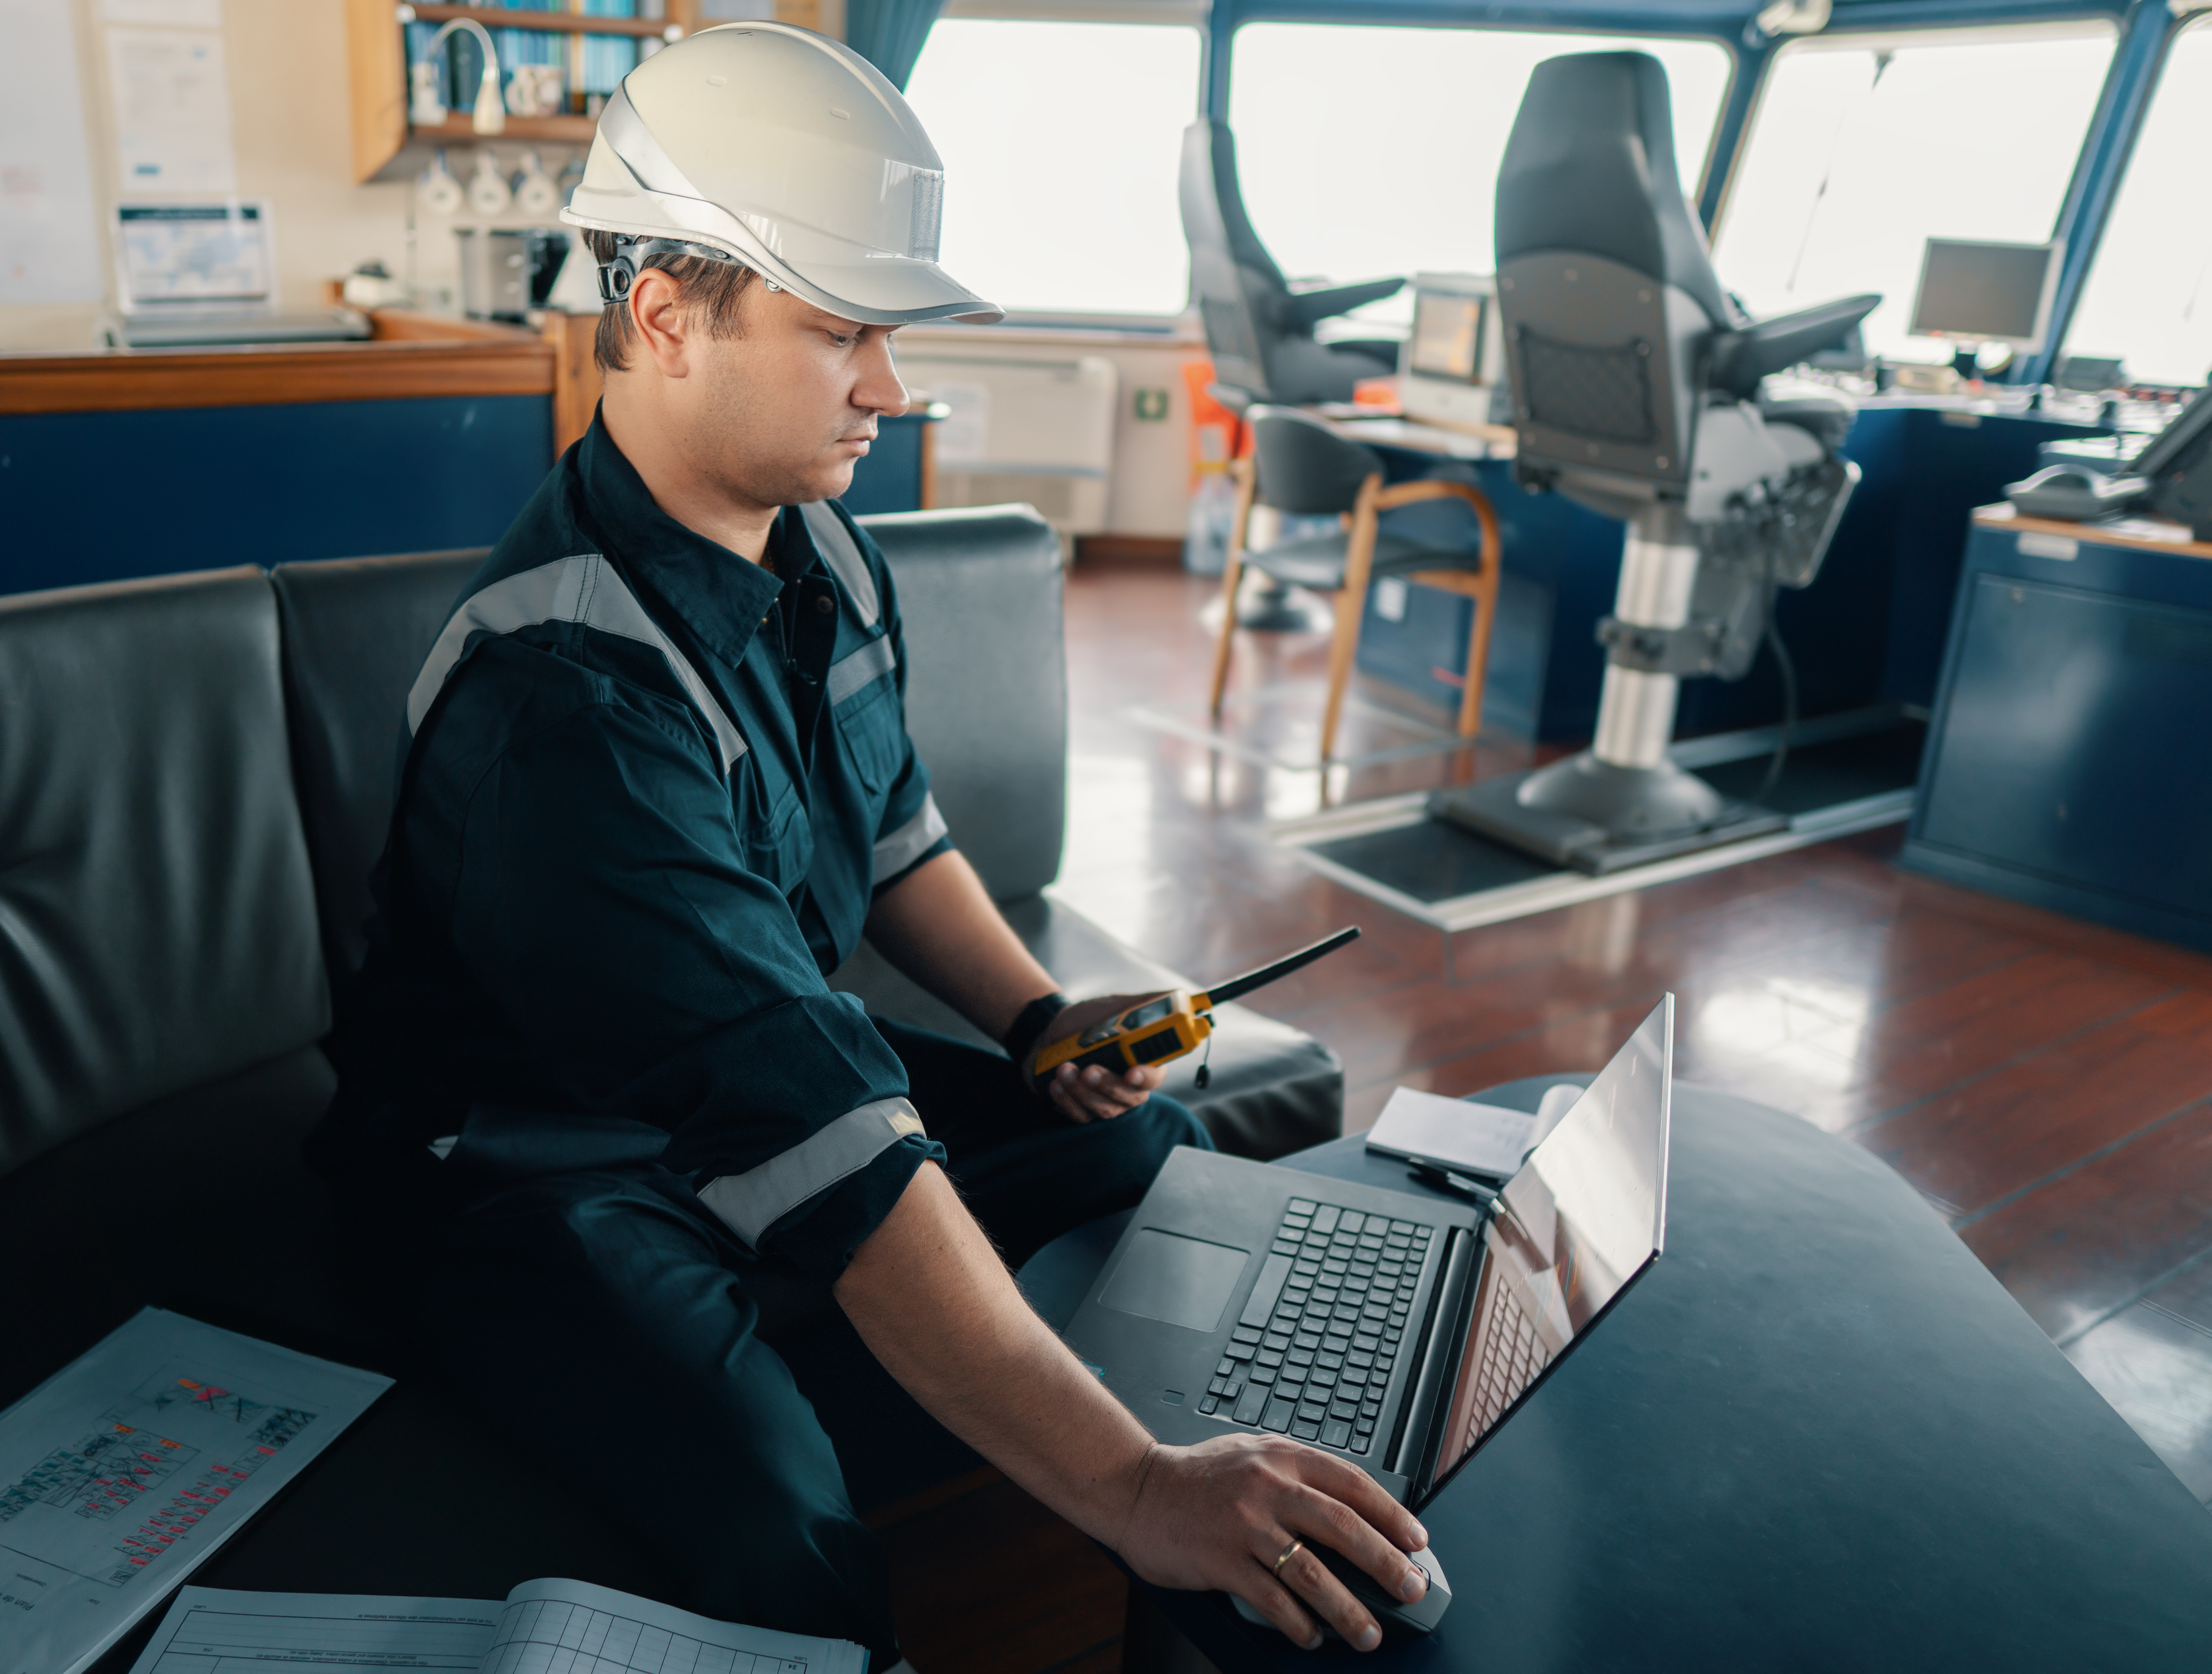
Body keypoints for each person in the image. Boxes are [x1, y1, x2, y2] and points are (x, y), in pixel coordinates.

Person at [309, 23, 1432, 1667]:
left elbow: (896, 835)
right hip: (543, 1169)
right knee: (785, 1534)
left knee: (1141, 1152)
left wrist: (1042, 1018)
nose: (888, 389)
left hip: (749, 1093)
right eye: (839, 329)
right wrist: (1135, 1487)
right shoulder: (560, 704)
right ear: (662, 315)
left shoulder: (820, 544)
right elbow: (815, 1126)